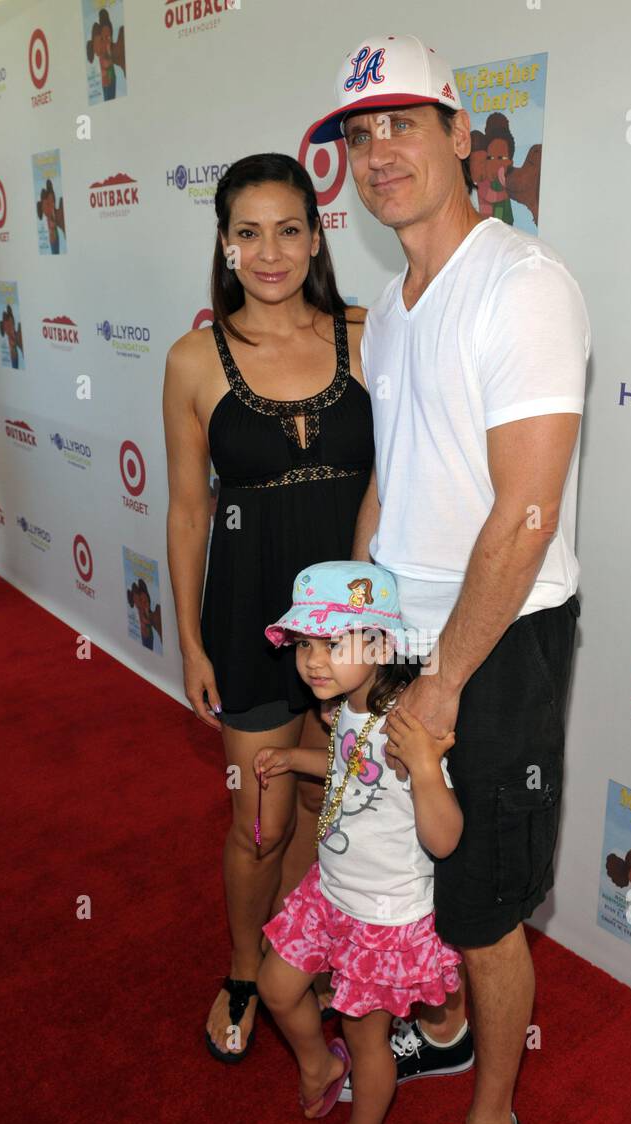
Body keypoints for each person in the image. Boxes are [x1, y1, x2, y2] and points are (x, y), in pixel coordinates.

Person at [307, 34, 591, 1124]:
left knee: (480, 913)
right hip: (407, 635)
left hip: (499, 642)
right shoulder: (393, 311)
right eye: (357, 135)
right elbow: (392, 482)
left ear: (459, 131)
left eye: (400, 124)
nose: (378, 153)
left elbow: (521, 516)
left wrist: (441, 684)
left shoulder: (521, 283)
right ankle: (455, 1035)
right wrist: (354, 636)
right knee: (417, 873)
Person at [163, 153, 374, 1062]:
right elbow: (186, 507)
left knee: (332, 809)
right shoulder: (191, 360)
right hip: (247, 617)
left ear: (317, 233)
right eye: (247, 232)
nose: (270, 251)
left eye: (288, 228)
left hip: (351, 625)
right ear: (224, 242)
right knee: (261, 819)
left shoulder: (365, 333)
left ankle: (305, 946)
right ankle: (247, 966)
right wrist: (190, 639)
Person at [253, 560, 463, 1124]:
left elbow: (445, 836)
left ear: (379, 646)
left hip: (384, 914)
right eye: (305, 645)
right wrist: (297, 759)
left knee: (365, 1036)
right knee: (274, 986)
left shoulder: (408, 724)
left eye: (332, 643)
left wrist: (426, 769)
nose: (313, 660)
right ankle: (320, 1066)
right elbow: (353, 769)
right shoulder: (348, 703)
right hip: (332, 890)